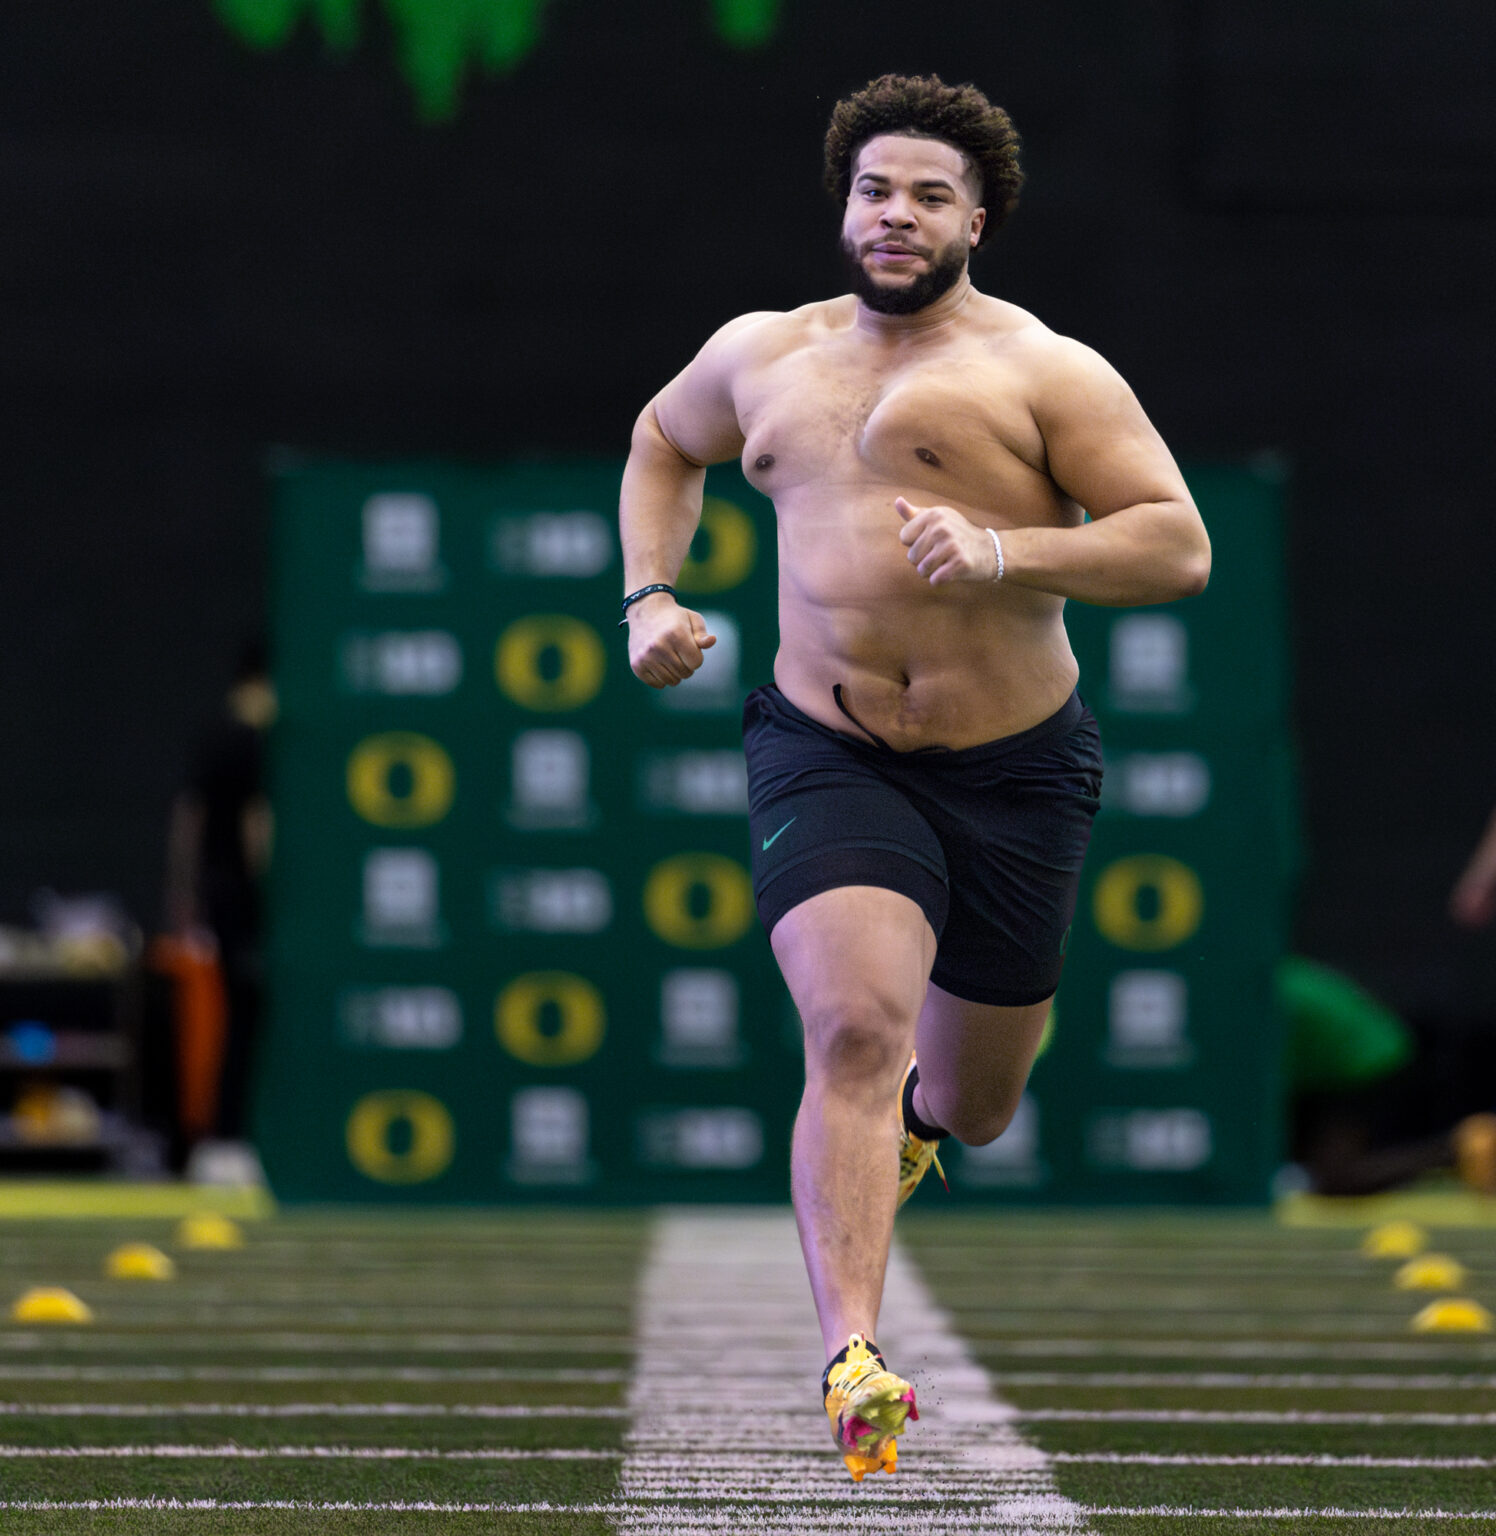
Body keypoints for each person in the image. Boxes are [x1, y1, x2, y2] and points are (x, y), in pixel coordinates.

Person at [618, 73, 1210, 1479]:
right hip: (827, 748)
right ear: (845, 205)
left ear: (977, 220)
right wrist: (647, 595)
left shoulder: (1045, 370)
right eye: (876, 191)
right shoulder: (763, 353)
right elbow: (660, 443)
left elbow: (1175, 544)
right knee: (856, 1030)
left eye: (929, 196)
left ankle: (928, 1133)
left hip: (1014, 767)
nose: (896, 216)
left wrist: (1014, 549)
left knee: (975, 1098)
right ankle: (853, 1357)